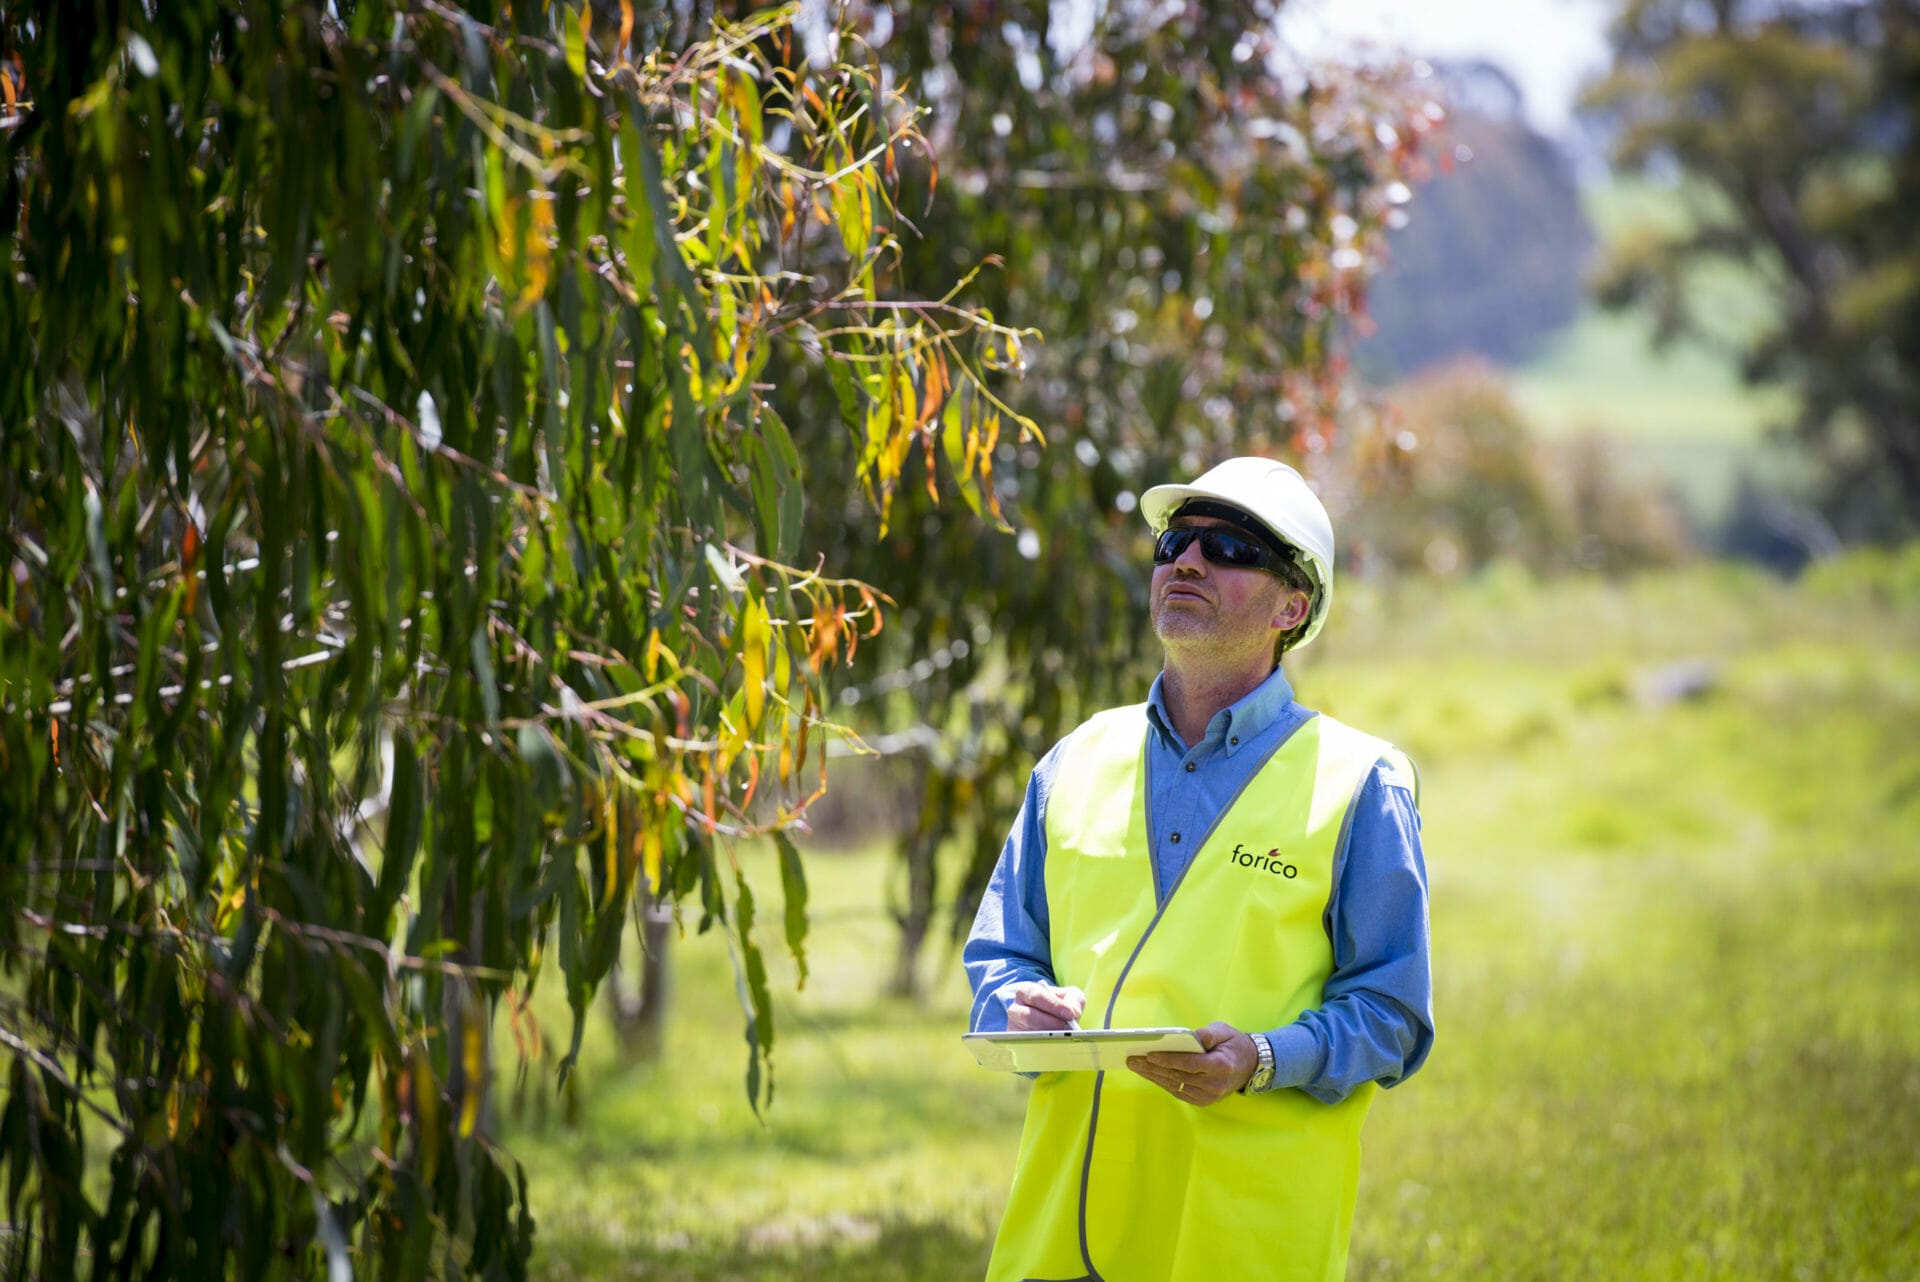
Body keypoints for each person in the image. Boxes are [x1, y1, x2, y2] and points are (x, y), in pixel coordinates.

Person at [963, 457, 1433, 1282]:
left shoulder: (1362, 782)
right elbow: (1002, 957)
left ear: (1293, 606)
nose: (1186, 561)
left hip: (1241, 1237)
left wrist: (1262, 1058)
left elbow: (1391, 1014)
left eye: (1229, 548)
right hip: (1059, 1229)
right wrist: (1014, 1006)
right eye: (1174, 542)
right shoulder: (1073, 761)